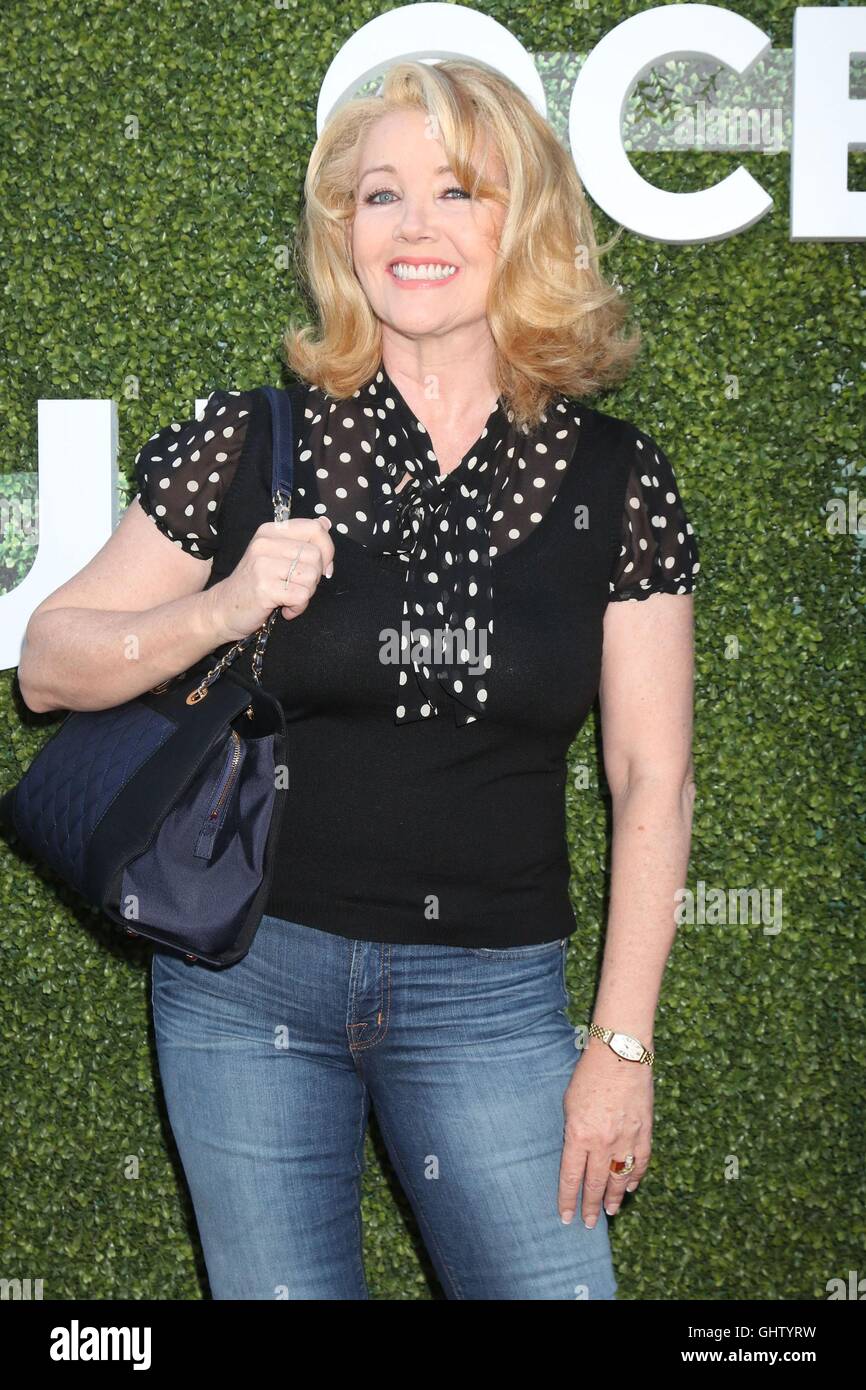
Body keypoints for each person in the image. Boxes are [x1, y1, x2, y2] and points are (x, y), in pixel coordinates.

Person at [18, 58, 699, 1300]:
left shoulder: (617, 478)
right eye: (378, 197)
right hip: (244, 982)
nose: (415, 227)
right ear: (344, 234)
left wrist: (618, 1044)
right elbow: (50, 666)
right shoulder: (248, 441)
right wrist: (224, 605)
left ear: (524, 221)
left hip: (492, 1002)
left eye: (456, 190)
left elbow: (650, 773)